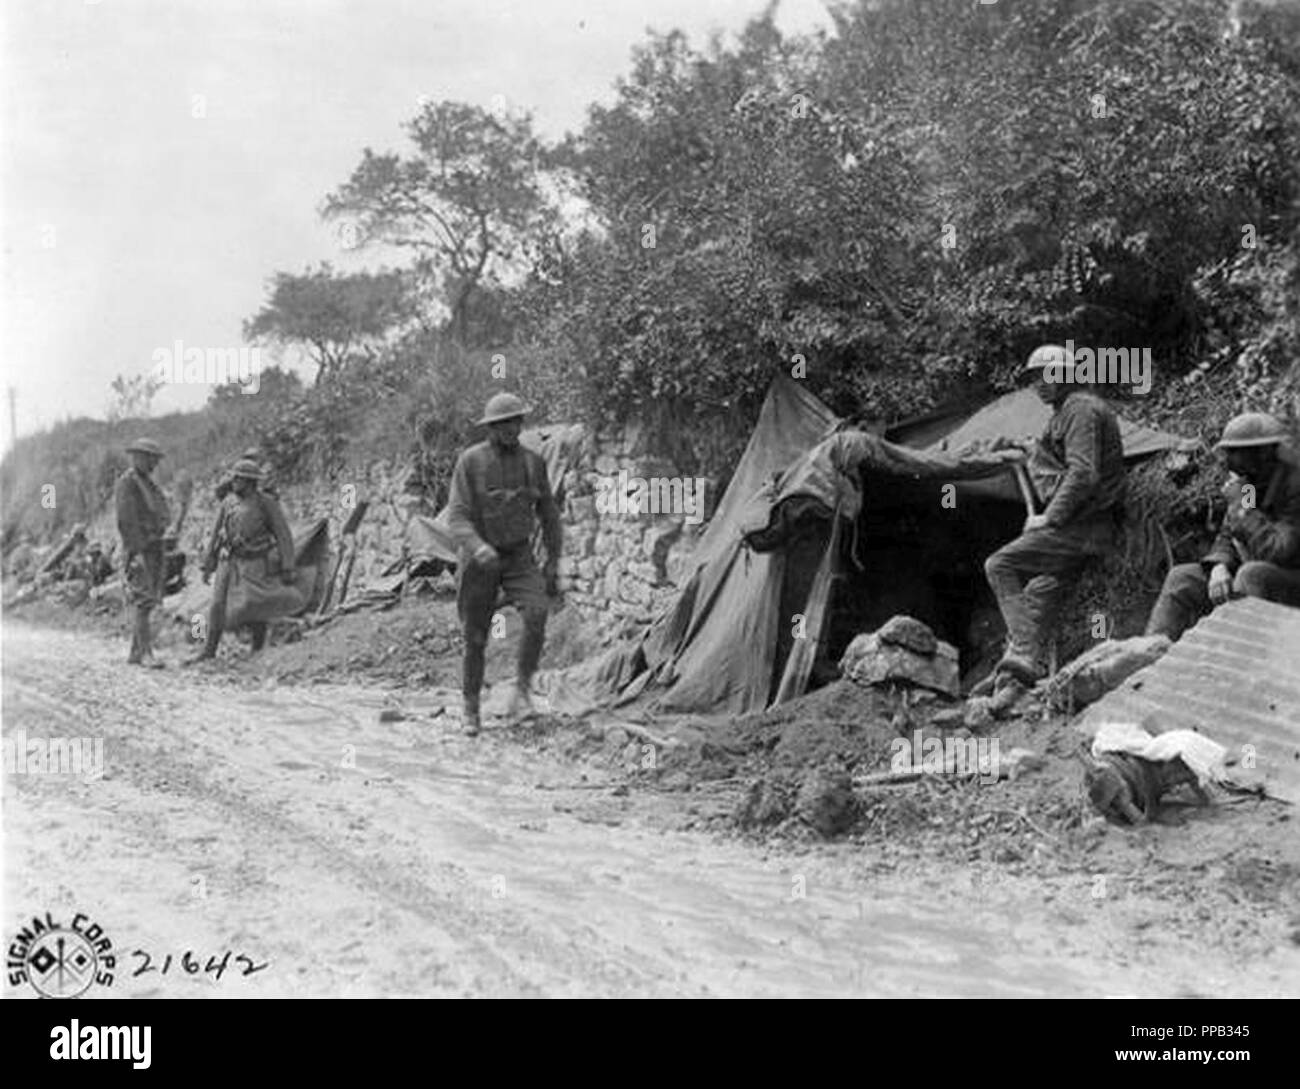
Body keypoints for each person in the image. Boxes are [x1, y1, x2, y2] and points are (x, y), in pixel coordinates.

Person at [983, 344, 1126, 688]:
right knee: (1042, 588)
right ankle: (1019, 675)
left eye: (1048, 375)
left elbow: (1083, 474)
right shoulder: (1063, 414)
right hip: (1082, 527)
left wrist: (1049, 519)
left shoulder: (1081, 409)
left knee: (999, 565)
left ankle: (1024, 652)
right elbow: (1047, 454)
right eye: (1034, 379)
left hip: (1086, 527)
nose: (1041, 384)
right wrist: (1023, 448)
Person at [444, 393, 562, 735]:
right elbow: (457, 516)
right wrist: (478, 547)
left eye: (516, 422)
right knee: (476, 636)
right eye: (503, 424)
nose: (512, 429)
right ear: (491, 428)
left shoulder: (533, 463)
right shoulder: (470, 461)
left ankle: (523, 689)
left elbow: (549, 515)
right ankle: (470, 708)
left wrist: (554, 559)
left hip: (518, 556)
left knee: (538, 612)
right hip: (479, 559)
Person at [1146, 412, 1300, 639]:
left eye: (1236, 451)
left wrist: (1241, 507)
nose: (1227, 459)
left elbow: (1280, 551)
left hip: (1291, 580)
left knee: (1252, 575)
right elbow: (1230, 534)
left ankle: (1239, 658)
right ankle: (1149, 651)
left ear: (1265, 452)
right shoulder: (1250, 484)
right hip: (1258, 570)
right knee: (1182, 578)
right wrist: (1219, 565)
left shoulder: (1294, 486)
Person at [189, 458, 297, 662]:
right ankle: (209, 649)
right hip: (227, 561)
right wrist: (207, 564)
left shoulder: (266, 503)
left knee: (256, 604)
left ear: (250, 482)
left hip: (254, 561)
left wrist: (287, 566)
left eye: (239, 479)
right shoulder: (228, 502)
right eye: (235, 478)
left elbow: (283, 535)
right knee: (218, 604)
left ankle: (257, 649)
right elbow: (215, 534)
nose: (234, 482)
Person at [114, 437, 171, 667]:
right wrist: (136, 551)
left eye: (155, 460)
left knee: (148, 599)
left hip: (154, 547)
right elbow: (126, 521)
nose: (153, 464)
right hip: (140, 549)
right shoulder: (127, 483)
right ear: (137, 457)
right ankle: (146, 653)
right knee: (143, 600)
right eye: (150, 459)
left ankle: (135, 652)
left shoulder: (148, 484)